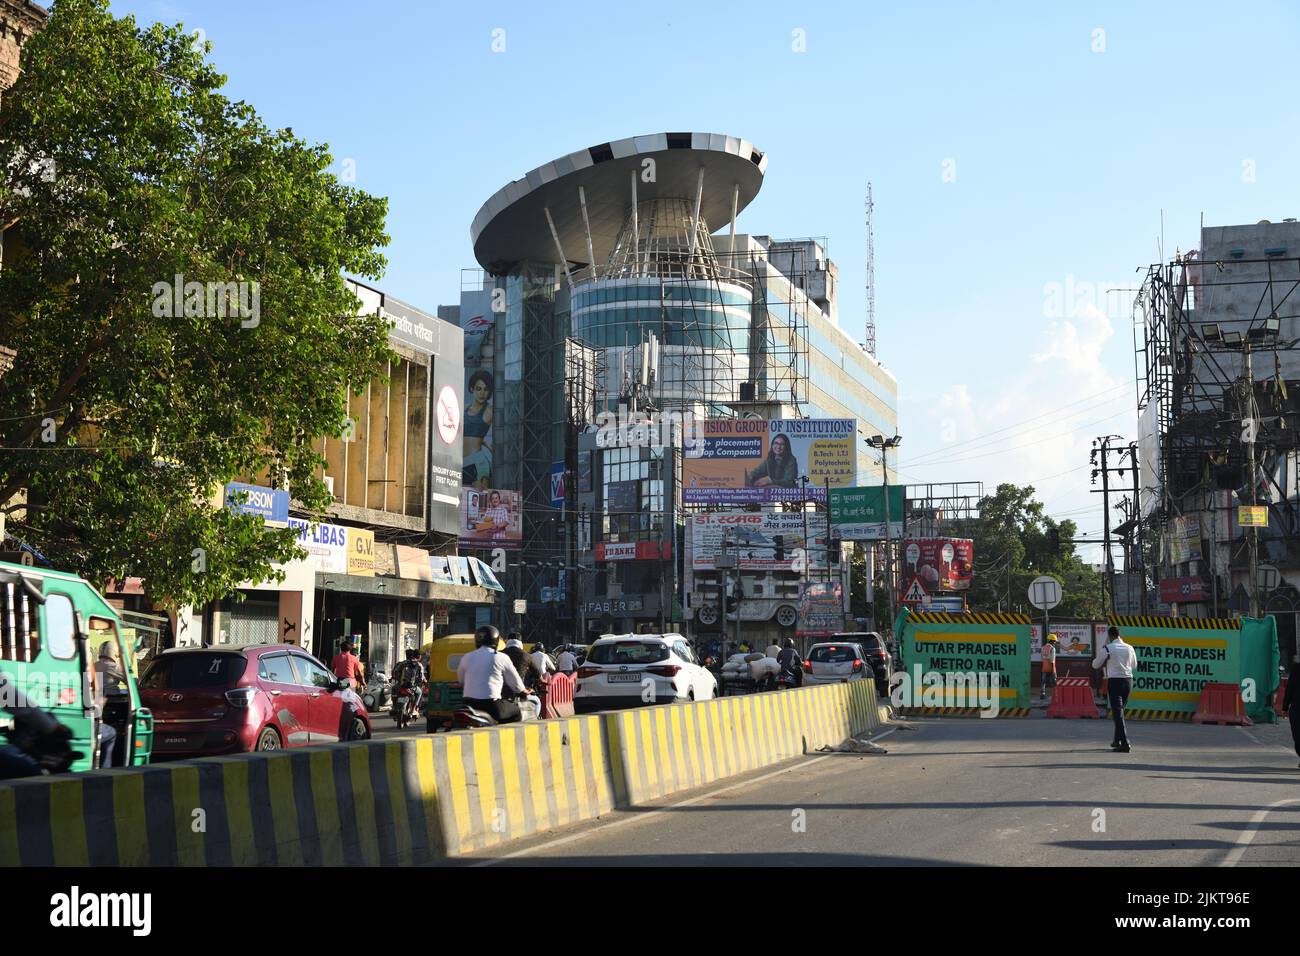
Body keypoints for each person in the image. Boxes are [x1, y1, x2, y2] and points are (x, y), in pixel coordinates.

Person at [457, 625, 533, 723]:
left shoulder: (467, 657)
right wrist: (524, 691)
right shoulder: (501, 657)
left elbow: (461, 680)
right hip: (491, 705)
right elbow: (516, 683)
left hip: (468, 704)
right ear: (496, 641)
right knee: (517, 712)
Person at [1093, 625, 1136, 753]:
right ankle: (1117, 740)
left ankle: (1125, 743)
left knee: (1118, 713)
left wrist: (1103, 654)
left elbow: (1095, 665)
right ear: (1119, 635)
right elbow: (1134, 665)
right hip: (1128, 681)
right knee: (1120, 712)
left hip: (1115, 682)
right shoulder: (1129, 647)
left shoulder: (1108, 648)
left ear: (1110, 636)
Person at [92, 641, 126, 768]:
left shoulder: (94, 665)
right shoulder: (113, 666)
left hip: (95, 707)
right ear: (114, 652)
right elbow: (133, 682)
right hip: (109, 706)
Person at [462, 370, 494, 488]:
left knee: (480, 501)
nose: (482, 393)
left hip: (477, 462)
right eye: (478, 389)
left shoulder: (490, 410)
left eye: (486, 389)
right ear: (472, 389)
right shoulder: (463, 409)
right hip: (460, 463)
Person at [392, 648, 427, 715]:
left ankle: (394, 707)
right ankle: (413, 709)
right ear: (419, 656)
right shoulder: (418, 664)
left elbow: (395, 672)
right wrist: (422, 681)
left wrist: (398, 679)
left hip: (401, 685)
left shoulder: (403, 663)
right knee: (419, 692)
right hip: (412, 686)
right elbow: (421, 677)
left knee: (394, 690)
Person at [1283, 656, 1299, 768]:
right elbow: (1290, 688)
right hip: (1297, 708)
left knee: (1297, 735)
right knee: (1297, 735)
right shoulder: (1297, 668)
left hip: (1297, 709)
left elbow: (1289, 688)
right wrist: (1284, 707)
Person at [1040, 634, 1058, 701]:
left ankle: (1042, 694)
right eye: (1055, 641)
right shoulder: (1052, 648)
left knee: (1043, 681)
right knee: (1054, 681)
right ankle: (1056, 695)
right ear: (1052, 641)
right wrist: (1053, 670)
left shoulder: (1043, 647)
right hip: (1051, 667)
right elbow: (1052, 660)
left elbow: (1042, 658)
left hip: (1044, 666)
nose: (1055, 643)